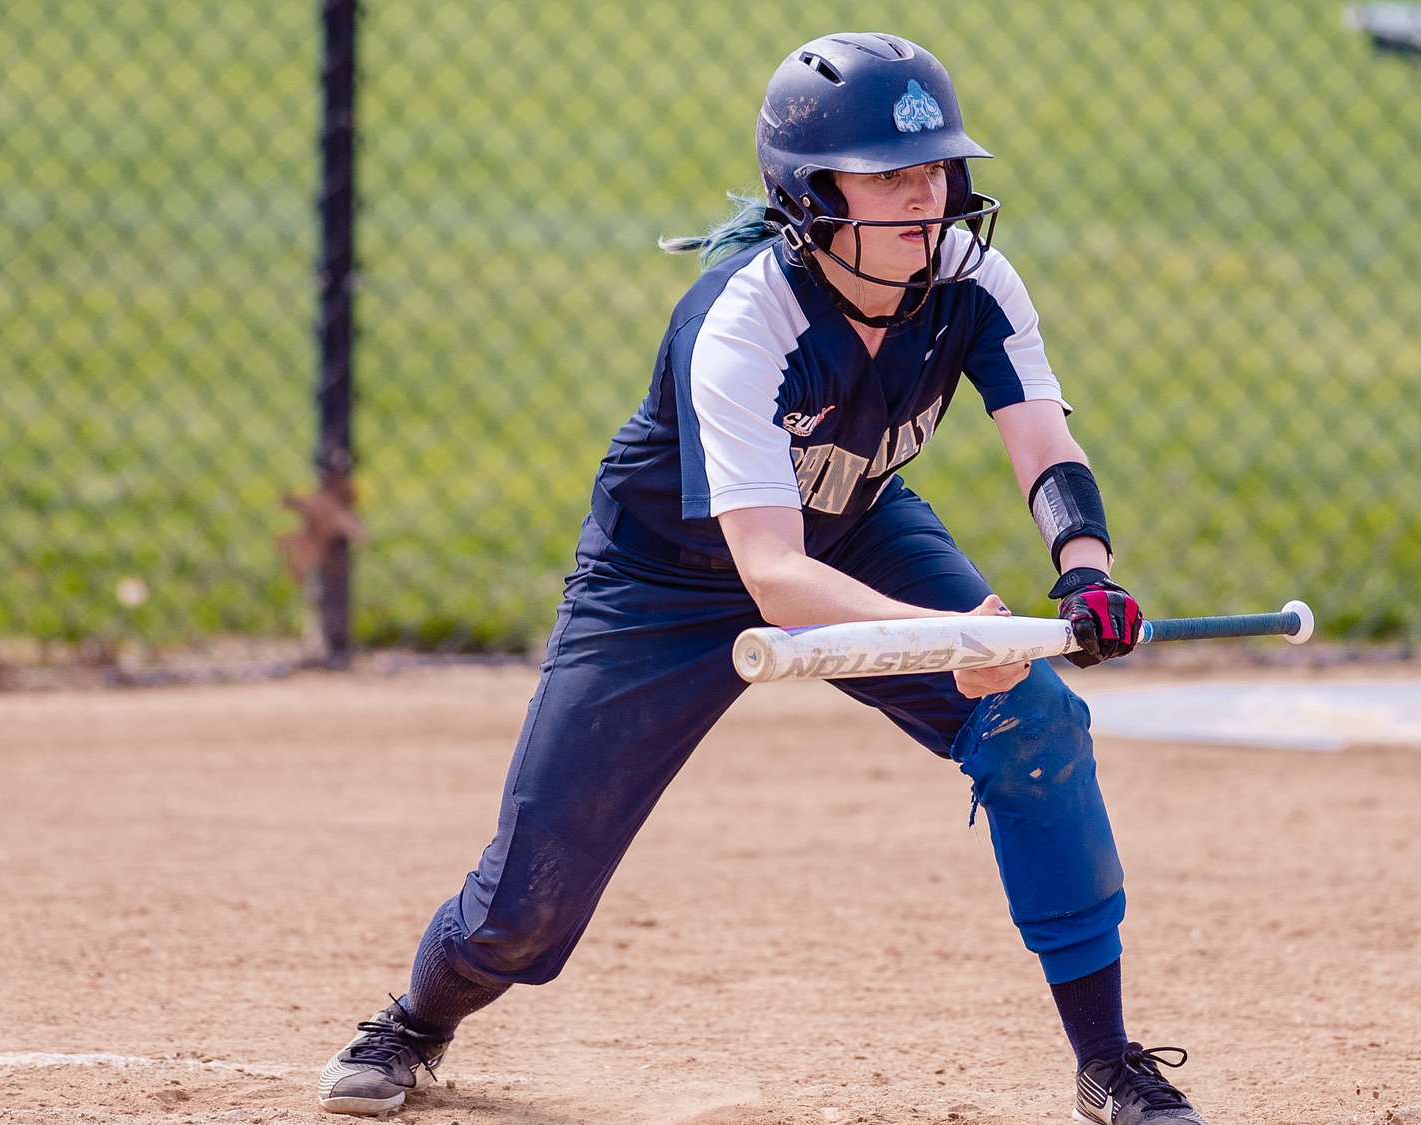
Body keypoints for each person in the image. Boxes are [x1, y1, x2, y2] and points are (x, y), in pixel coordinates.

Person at [316, 32, 1209, 1125]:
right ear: (807, 195)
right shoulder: (744, 317)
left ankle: (1109, 1061)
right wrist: (954, 634)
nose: (922, 200)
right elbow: (771, 577)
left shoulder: (972, 279)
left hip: (856, 529)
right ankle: (415, 1021)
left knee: (1036, 722)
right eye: (885, 175)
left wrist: (1085, 577)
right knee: (526, 907)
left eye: (933, 171)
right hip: (664, 579)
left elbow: (1044, 448)